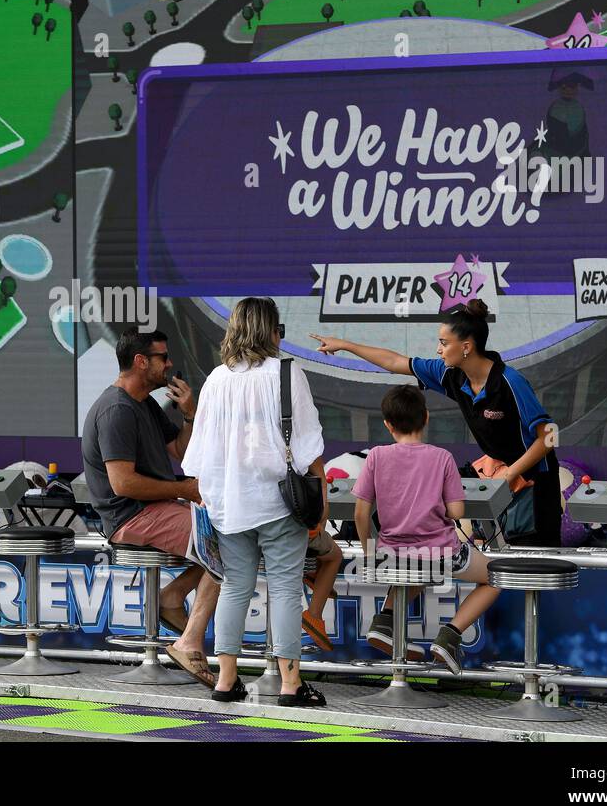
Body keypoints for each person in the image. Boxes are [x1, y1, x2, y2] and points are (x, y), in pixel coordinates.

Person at [312, 298, 562, 547]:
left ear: (466, 347)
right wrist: (345, 345)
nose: (438, 350)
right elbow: (395, 362)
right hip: (498, 475)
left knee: (530, 559)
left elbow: (551, 435)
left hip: (535, 484)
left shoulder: (510, 382)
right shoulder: (450, 374)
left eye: (444, 343)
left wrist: (511, 472)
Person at [182, 298, 328, 706]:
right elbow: (307, 442)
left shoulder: (215, 379)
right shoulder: (286, 373)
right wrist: (322, 495)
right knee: (283, 588)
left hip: (230, 503)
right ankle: (289, 685)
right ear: (271, 329)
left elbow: (199, 452)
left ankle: (226, 680)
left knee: (233, 587)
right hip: (280, 501)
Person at [81, 327, 220, 687]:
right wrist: (185, 490)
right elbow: (123, 484)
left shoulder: (143, 404)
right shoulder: (116, 410)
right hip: (132, 516)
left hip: (154, 507)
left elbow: (180, 452)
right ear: (141, 362)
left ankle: (172, 596)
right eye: (163, 357)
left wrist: (189, 414)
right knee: (227, 542)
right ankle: (189, 643)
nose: (170, 364)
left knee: (230, 536)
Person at [352, 385, 499, 673]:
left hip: (392, 553)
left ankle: (386, 621)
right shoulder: (441, 457)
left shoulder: (376, 457)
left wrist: (368, 549)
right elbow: (456, 512)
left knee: (414, 564)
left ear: (387, 424)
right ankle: (450, 635)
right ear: (427, 417)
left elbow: (360, 512)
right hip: (438, 553)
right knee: (494, 577)